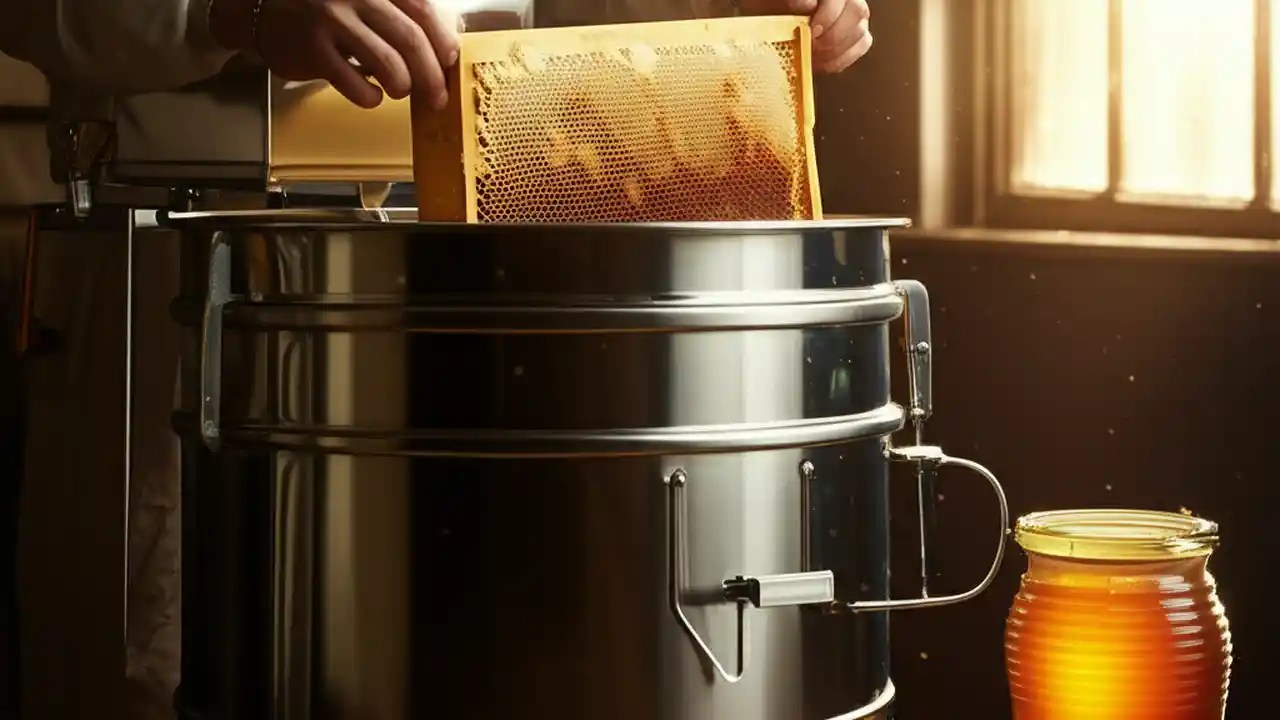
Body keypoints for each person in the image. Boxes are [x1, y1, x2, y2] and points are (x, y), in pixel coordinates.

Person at [0, 1, 872, 717]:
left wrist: (742, 11)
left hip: (533, 255)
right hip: (193, 252)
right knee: (171, 655)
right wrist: (239, 10)